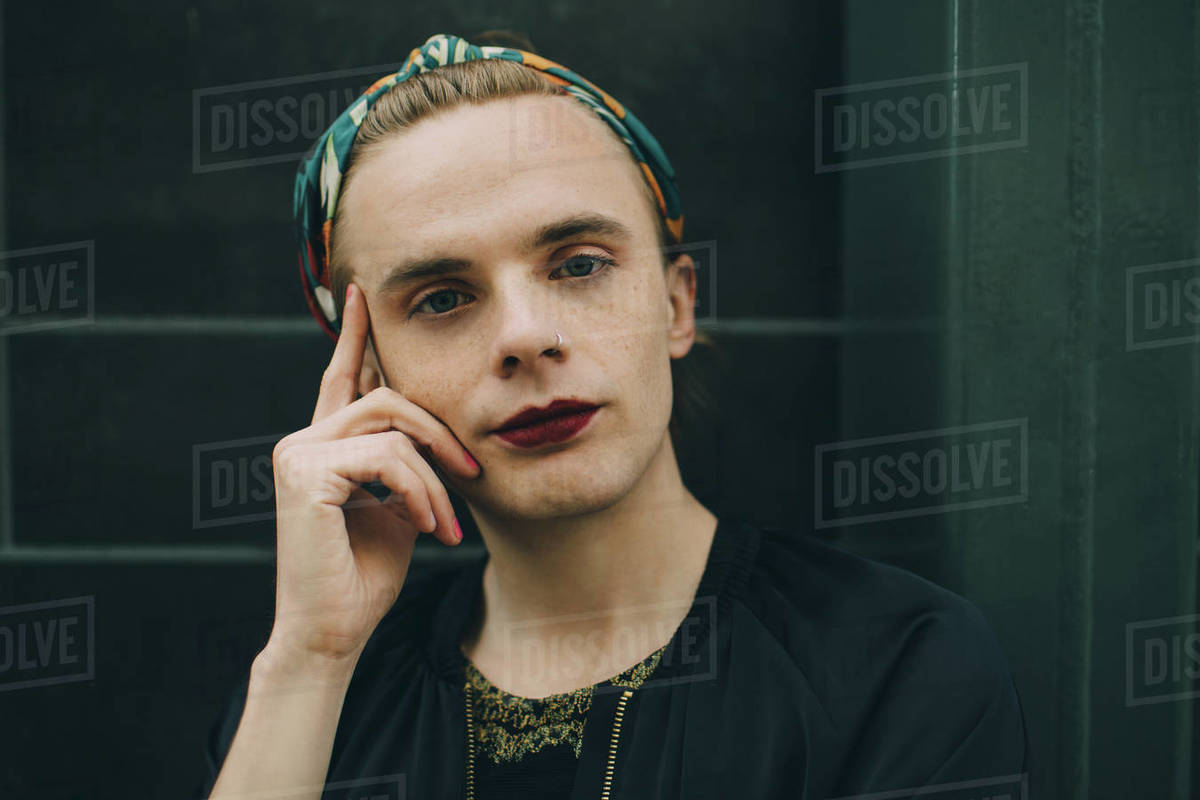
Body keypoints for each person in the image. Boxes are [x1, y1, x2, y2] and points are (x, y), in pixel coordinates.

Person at [198, 31, 1028, 800]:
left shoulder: (895, 663)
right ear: (374, 373)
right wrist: (309, 661)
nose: (526, 337)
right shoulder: (313, 702)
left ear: (675, 305)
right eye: (444, 298)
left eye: (580, 264)